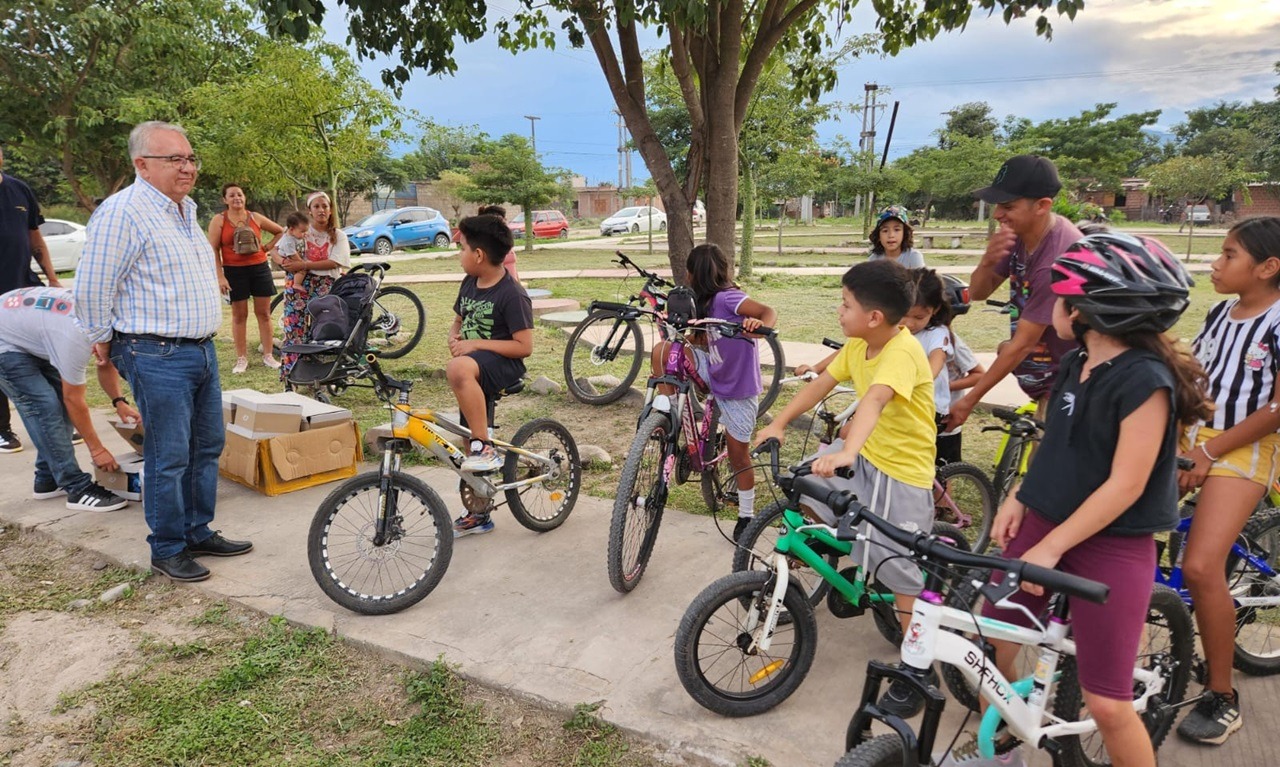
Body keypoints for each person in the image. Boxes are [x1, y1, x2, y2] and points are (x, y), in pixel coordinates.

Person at [936, 234, 1205, 767]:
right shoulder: (1073, 362)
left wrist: (1053, 547)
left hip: (1111, 547)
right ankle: (1010, 735)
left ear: (1088, 310)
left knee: (1108, 703)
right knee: (990, 646)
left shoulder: (1144, 382)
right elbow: (1052, 445)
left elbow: (1125, 485)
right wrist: (1019, 495)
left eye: (1059, 297)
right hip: (1044, 525)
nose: (1049, 307)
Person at [755, 258, 938, 718]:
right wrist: (777, 421)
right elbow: (822, 384)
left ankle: (919, 669)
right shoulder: (859, 345)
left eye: (846, 305)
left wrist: (846, 453)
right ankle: (849, 562)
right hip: (865, 455)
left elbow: (874, 401)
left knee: (902, 578)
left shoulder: (902, 351)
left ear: (874, 317)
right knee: (804, 482)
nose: (839, 311)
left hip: (901, 473)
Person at [74, 120, 253, 583]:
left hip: (199, 351)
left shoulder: (182, 210)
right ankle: (168, 547)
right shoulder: (123, 212)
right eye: (175, 159)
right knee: (170, 454)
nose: (188, 167)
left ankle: (196, 530)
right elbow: (92, 286)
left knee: (207, 445)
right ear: (142, 165)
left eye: (190, 158)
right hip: (155, 352)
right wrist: (103, 339)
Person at [1175, 216, 1280, 745]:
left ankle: (1223, 695)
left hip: (1244, 447)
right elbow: (1194, 373)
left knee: (1199, 566)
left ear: (1267, 267)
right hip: (1195, 440)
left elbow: (1278, 408)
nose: (1216, 263)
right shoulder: (1220, 312)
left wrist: (1209, 451)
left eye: (1229, 254)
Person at [648, 243, 777, 541]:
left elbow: (768, 311)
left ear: (694, 274)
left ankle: (746, 516)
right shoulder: (701, 302)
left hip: (738, 391)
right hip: (712, 371)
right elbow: (701, 338)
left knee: (738, 456)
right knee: (662, 351)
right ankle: (666, 412)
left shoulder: (729, 297)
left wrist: (759, 326)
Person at [947, 155, 1083, 430]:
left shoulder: (1056, 262)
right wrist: (987, 260)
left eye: (1008, 206)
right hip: (1048, 379)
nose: (998, 214)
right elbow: (977, 292)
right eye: (997, 205)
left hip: (1072, 383)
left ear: (1042, 206)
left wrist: (969, 400)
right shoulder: (1016, 235)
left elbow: (1022, 345)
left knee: (1044, 468)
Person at [0, 286, 141, 511]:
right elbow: (73, 400)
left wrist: (119, 402)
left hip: (25, 332)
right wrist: (97, 449)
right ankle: (76, 487)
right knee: (44, 406)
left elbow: (105, 362)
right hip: (5, 343)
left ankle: (47, 480)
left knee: (55, 403)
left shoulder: (101, 321)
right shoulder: (75, 336)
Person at [448, 213, 534, 535]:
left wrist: (474, 345)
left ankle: (484, 445)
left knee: (473, 439)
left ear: (479, 255)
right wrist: (454, 335)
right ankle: (479, 511)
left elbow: (524, 346)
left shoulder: (512, 294)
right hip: (474, 366)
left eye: (462, 249)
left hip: (502, 364)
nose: (460, 255)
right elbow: (459, 316)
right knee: (462, 439)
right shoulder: (470, 282)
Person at [0, 145, 61, 453]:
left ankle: (60, 422)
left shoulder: (18, 188)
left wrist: (51, 277)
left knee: (42, 354)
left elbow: (35, 239)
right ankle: (2, 430)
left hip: (24, 289)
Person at [206, 183, 285, 375]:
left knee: (264, 314)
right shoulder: (219, 220)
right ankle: (241, 358)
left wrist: (266, 247)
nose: (237, 198)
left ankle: (268, 355)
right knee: (239, 315)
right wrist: (220, 276)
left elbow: (280, 231)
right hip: (234, 271)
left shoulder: (255, 217)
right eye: (232, 196)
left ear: (245, 197)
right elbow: (213, 250)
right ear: (225, 200)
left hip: (259, 268)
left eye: (240, 195)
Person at [277, 191, 351, 382]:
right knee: (294, 330)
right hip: (299, 284)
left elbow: (335, 262)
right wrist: (285, 262)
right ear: (309, 211)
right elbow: (276, 250)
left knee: (318, 332)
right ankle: (290, 376)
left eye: (325, 206)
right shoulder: (300, 230)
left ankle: (315, 377)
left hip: (324, 284)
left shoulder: (338, 236)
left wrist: (302, 265)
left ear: (330, 209)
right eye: (316, 206)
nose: (321, 210)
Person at [900, 268, 954, 432]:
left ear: (935, 309)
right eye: (904, 314)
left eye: (919, 317)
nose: (909, 324)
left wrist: (914, 382)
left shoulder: (936, 334)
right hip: (899, 402)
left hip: (928, 406)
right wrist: (818, 368)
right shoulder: (891, 329)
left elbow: (935, 364)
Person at [477, 205, 521, 283]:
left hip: (512, 288)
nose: (506, 221)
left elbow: (513, 268)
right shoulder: (485, 244)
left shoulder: (505, 239)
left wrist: (519, 285)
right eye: (503, 219)